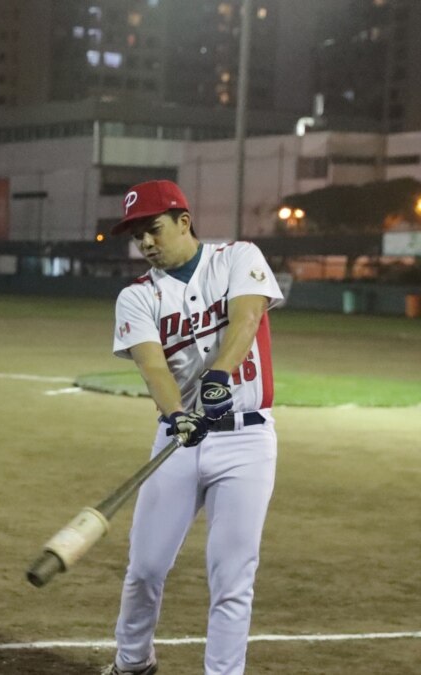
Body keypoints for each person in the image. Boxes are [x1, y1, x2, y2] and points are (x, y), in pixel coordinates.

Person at [103, 180, 283, 675]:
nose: (146, 243)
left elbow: (247, 320)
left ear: (184, 220)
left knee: (232, 577)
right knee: (145, 569)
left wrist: (219, 377)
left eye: (153, 229)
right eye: (138, 235)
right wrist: (174, 414)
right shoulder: (137, 297)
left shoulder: (238, 256)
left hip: (246, 439)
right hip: (178, 440)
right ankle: (132, 664)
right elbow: (153, 368)